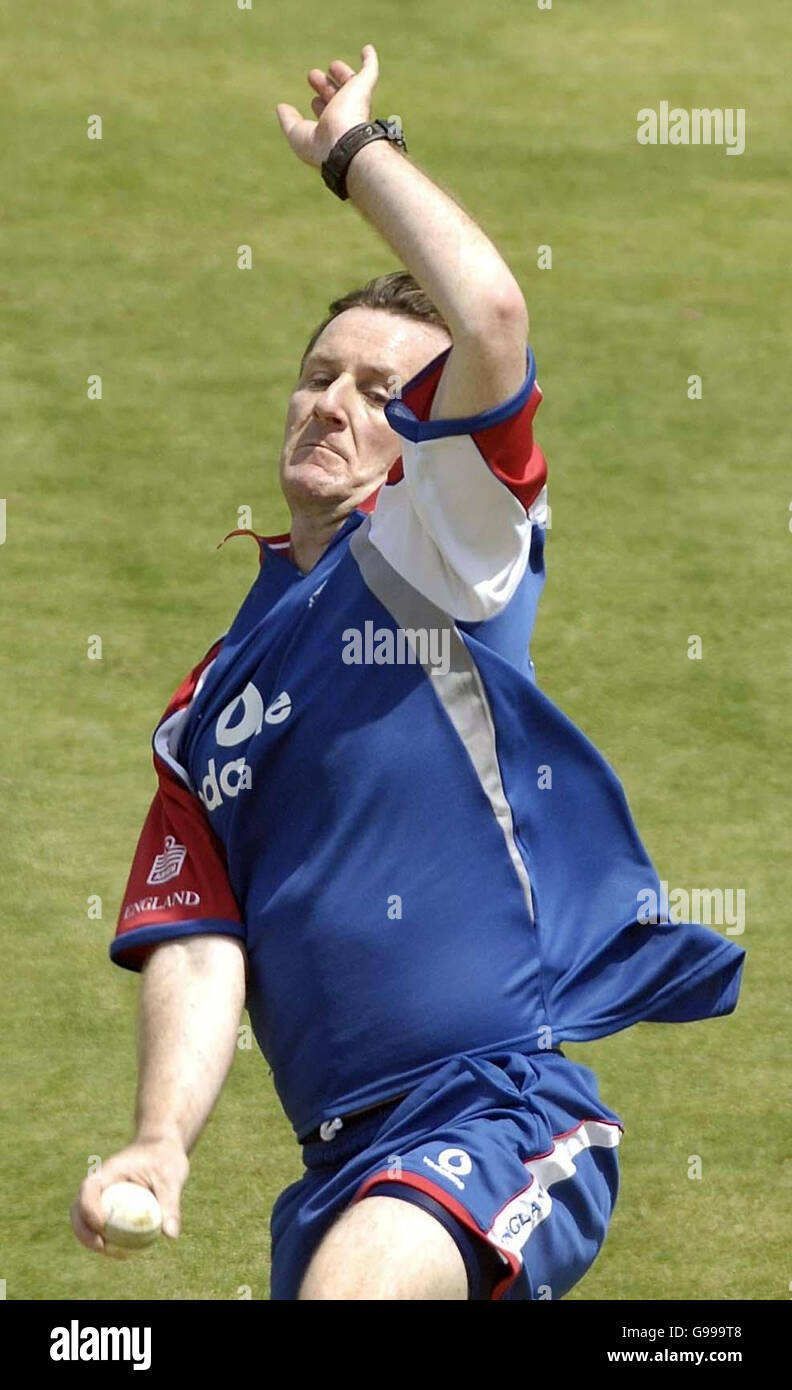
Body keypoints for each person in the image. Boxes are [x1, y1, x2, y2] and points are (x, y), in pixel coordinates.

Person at [71, 45, 745, 1300]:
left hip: (494, 1107)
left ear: (426, 443)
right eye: (317, 375)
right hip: (340, 1168)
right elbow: (202, 942)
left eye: (379, 392)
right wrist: (163, 1141)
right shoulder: (208, 706)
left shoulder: (444, 550)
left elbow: (489, 316)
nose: (330, 404)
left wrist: (354, 152)